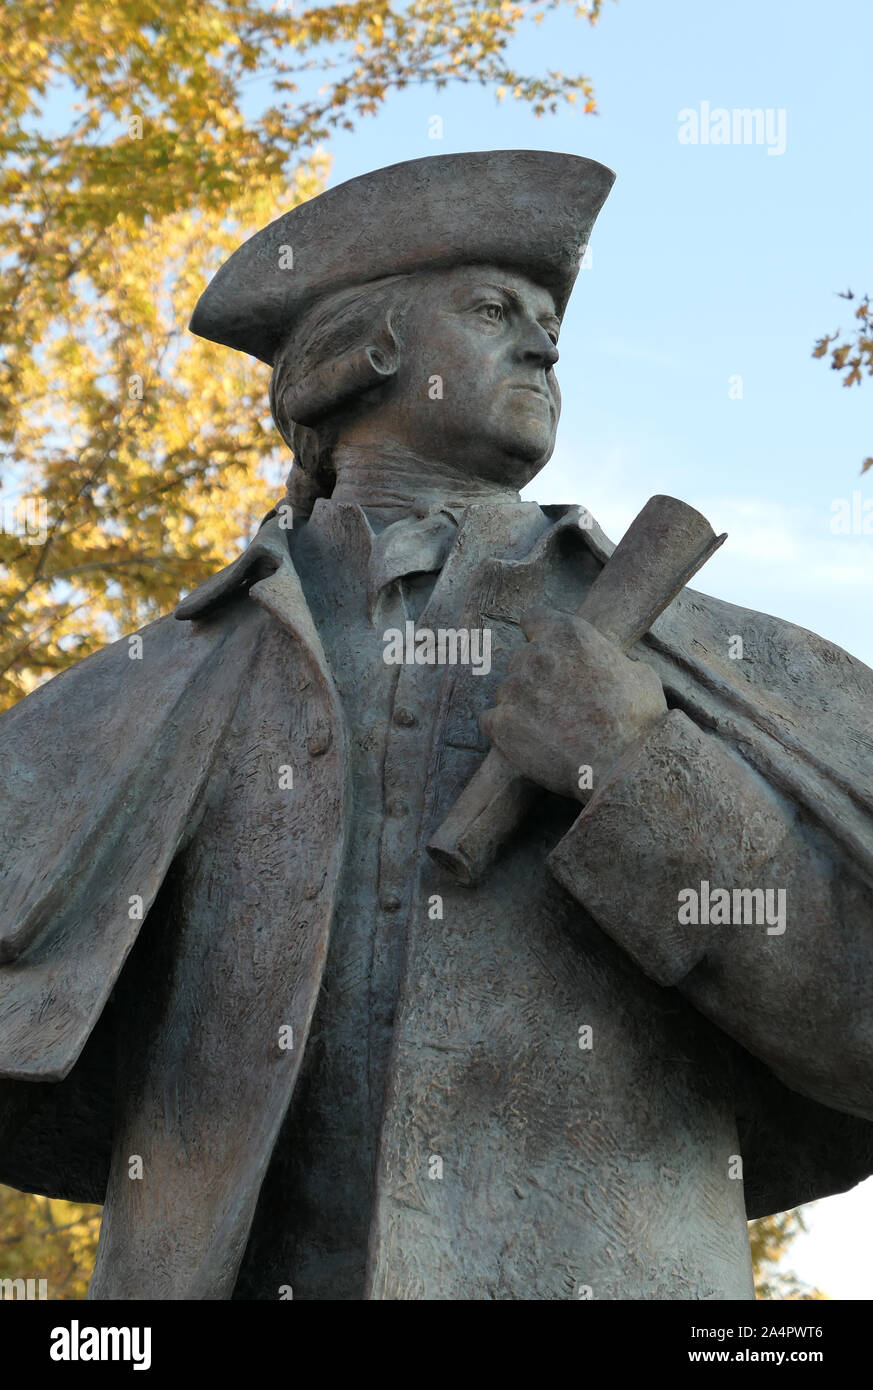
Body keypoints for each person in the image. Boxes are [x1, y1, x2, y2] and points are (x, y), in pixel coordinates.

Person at [1, 151, 871, 1300]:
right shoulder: (152, 687)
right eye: (493, 309)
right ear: (360, 355)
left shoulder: (710, 660)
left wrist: (642, 769)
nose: (546, 344)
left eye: (551, 320)